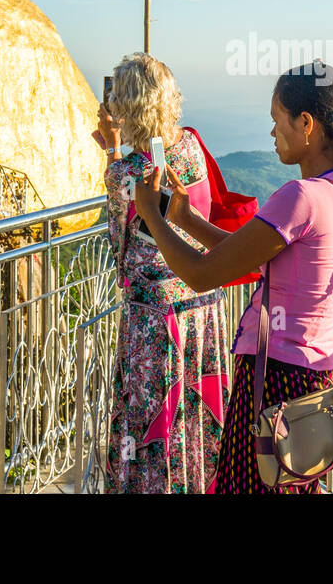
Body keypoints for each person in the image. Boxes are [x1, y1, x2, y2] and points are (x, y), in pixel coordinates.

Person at [133, 60, 333, 494]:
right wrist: (187, 219)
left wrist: (151, 214)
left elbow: (201, 274)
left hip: (275, 385)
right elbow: (253, 257)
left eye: (277, 120)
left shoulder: (300, 197)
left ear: (306, 124)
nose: (272, 133)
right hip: (316, 385)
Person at [96, 52, 229, 493]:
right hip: (201, 304)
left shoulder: (125, 174)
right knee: (194, 415)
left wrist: (114, 153)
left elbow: (121, 246)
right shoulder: (190, 145)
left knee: (154, 418)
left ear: (127, 107)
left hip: (154, 320)